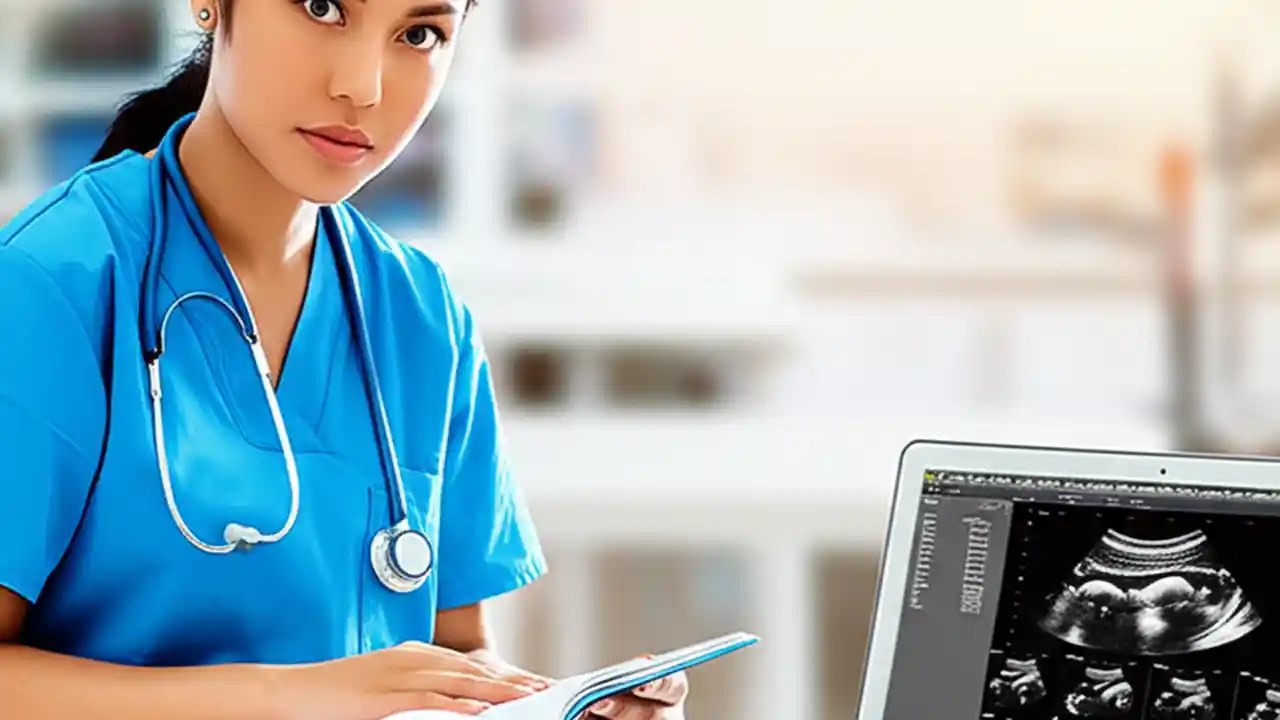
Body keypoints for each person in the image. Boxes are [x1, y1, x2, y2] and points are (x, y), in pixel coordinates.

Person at [0, 1, 690, 719]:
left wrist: (556, 707)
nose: (364, 86)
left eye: (419, 34)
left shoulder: (421, 315)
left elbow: (452, 656)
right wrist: (283, 697)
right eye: (322, 6)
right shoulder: (51, 282)